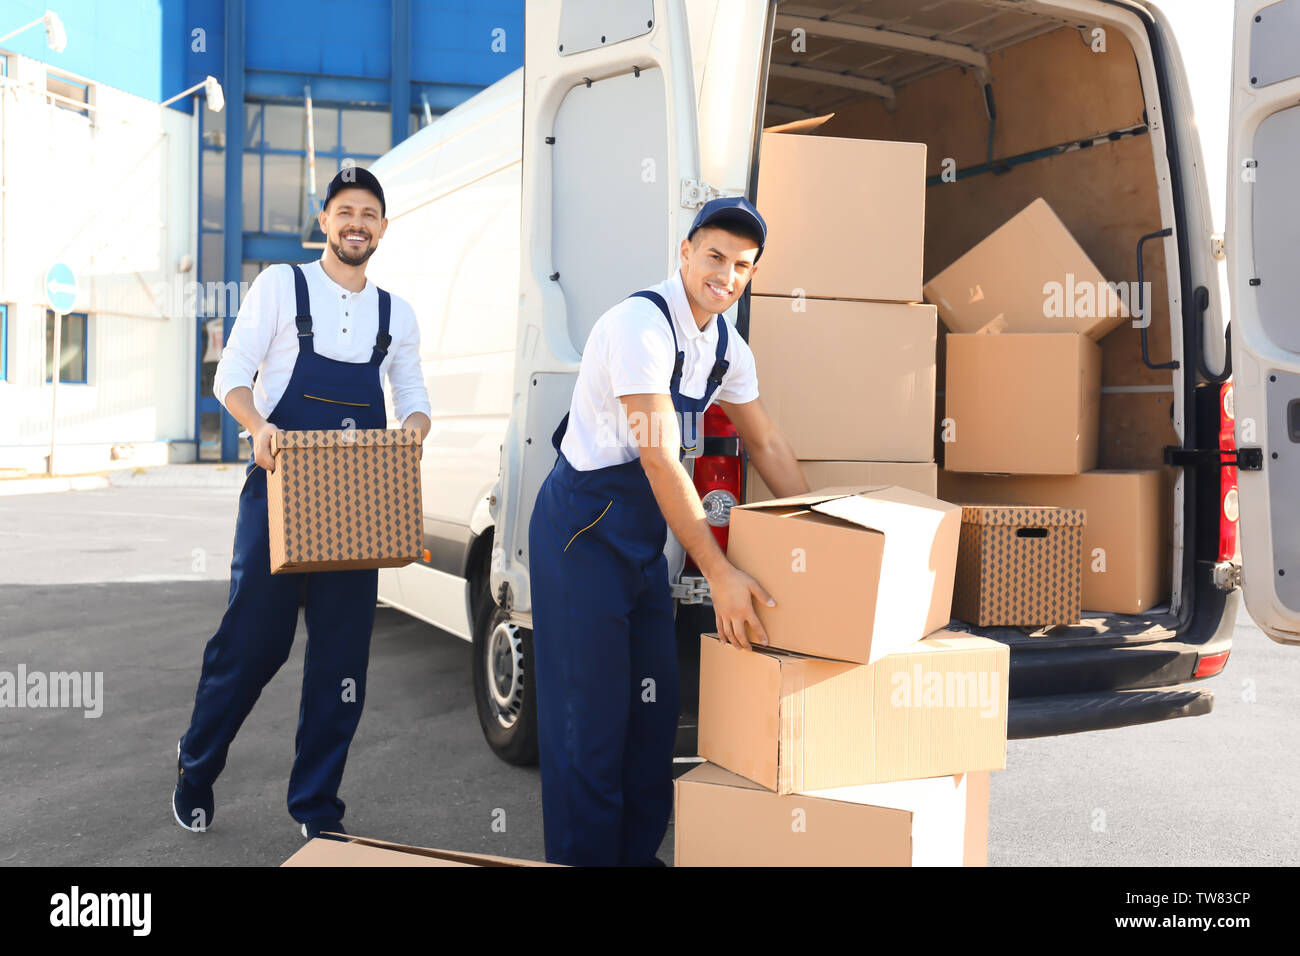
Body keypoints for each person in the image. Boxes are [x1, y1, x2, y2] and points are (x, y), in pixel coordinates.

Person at [528, 196, 810, 866]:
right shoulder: (640, 327)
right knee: (589, 724)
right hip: (581, 531)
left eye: (743, 265)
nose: (728, 274)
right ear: (685, 252)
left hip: (641, 536)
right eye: (715, 256)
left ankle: (634, 856)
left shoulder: (723, 346)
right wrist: (720, 572)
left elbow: (765, 441)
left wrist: (820, 531)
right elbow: (658, 455)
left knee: (653, 712)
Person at [173, 166, 431, 841]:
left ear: (382, 226)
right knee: (252, 648)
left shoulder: (395, 314)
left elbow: (414, 398)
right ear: (323, 221)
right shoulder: (281, 288)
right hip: (280, 488)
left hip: (357, 503)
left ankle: (317, 807)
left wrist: (413, 431)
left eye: (369, 213)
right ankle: (195, 765)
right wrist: (258, 427)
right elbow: (231, 376)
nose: (356, 223)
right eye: (344, 210)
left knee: (341, 664)